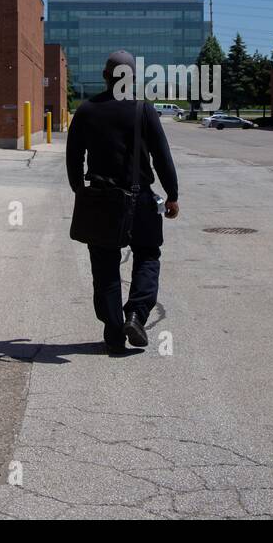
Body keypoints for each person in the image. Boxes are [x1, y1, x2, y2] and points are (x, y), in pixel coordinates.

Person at [66, 51, 180, 354]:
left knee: (104, 266)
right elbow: (162, 157)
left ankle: (114, 332)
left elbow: (73, 157)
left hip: (101, 198)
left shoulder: (86, 110)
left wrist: (80, 190)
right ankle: (136, 315)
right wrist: (173, 195)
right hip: (140, 197)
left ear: (105, 76)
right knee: (147, 255)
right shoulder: (143, 109)